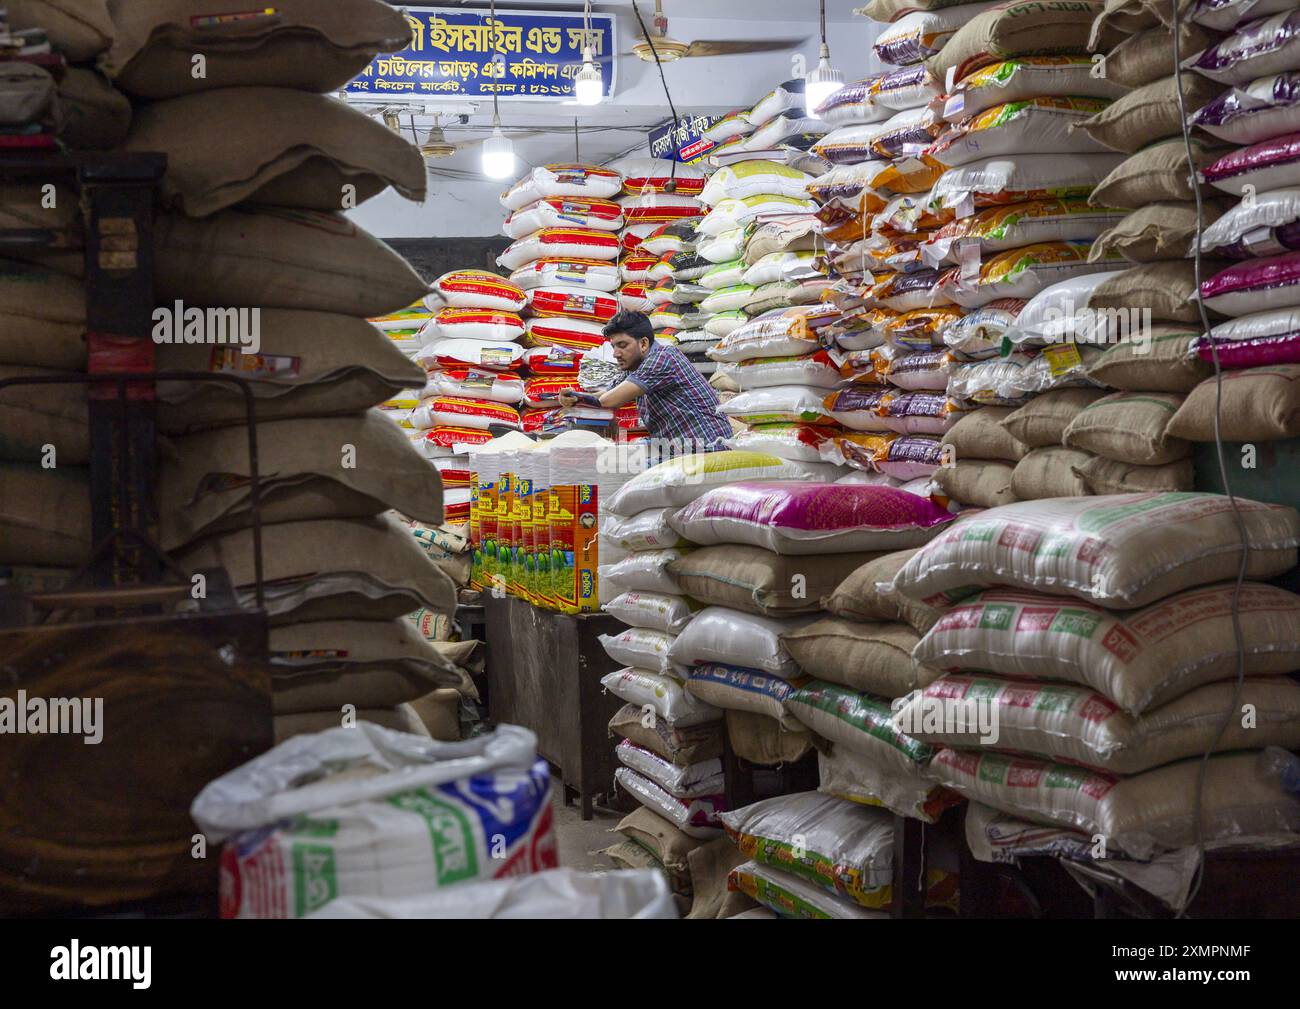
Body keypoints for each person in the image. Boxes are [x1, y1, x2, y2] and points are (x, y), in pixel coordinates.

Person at [558, 310, 733, 451]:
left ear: (643, 344)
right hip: (683, 450)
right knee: (623, 456)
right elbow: (606, 394)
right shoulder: (635, 368)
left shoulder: (663, 358)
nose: (615, 353)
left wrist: (579, 399)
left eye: (622, 345)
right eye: (613, 346)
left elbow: (608, 401)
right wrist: (574, 397)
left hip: (709, 448)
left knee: (618, 465)